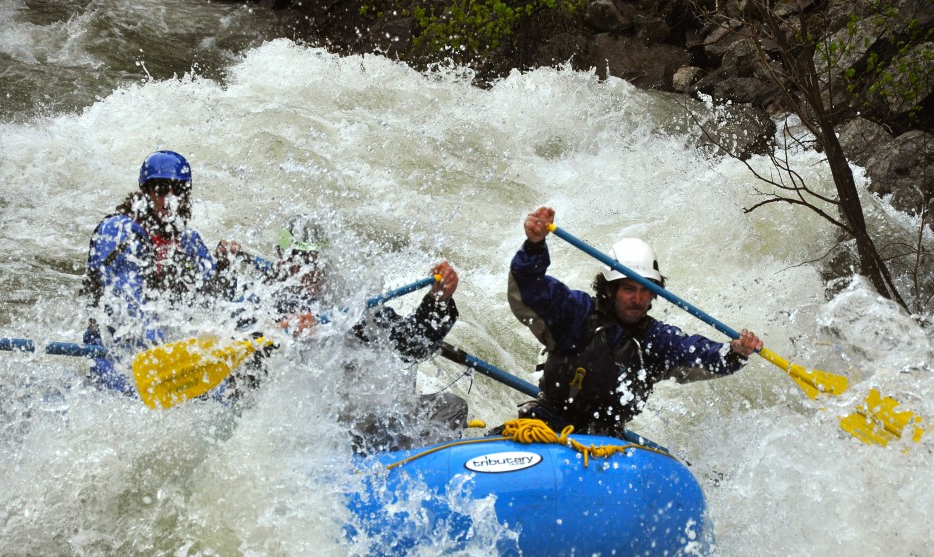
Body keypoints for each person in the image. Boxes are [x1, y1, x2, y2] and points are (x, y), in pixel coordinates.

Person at [506, 205, 763, 437]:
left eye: (645, 291)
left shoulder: (655, 340)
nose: (638, 299)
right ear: (609, 289)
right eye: (629, 289)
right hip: (545, 424)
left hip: (605, 440)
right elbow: (529, 288)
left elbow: (696, 353)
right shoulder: (576, 313)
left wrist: (734, 353)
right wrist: (535, 246)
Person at [265, 216, 468, 453]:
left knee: (452, 407)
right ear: (282, 258)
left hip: (368, 417)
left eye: (316, 259)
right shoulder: (266, 299)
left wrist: (437, 300)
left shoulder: (349, 304)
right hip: (315, 427)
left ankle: (419, 469)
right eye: (300, 259)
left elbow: (412, 345)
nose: (311, 268)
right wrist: (281, 331)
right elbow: (241, 342)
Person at [79, 150, 241, 394]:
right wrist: (177, 353)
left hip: (162, 350)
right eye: (162, 189)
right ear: (146, 192)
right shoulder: (119, 232)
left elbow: (216, 296)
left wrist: (225, 266)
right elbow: (127, 312)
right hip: (113, 352)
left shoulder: (187, 240)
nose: (170, 199)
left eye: (179, 191)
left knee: (227, 391)